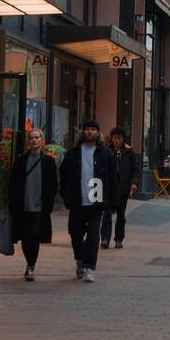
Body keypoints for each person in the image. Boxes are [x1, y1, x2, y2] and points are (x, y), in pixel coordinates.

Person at [58, 119, 117, 283]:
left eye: (93, 129)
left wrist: (112, 203)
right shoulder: (74, 153)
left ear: (98, 133)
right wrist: (66, 195)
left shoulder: (105, 153)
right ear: (83, 132)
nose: (90, 132)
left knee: (93, 235)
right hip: (77, 199)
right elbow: (63, 175)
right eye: (87, 129)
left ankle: (90, 267)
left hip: (96, 199)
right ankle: (80, 259)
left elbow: (112, 178)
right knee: (75, 234)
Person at [9, 129, 57, 281]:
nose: (34, 140)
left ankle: (31, 266)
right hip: (22, 206)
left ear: (42, 140)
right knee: (24, 237)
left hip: (39, 207)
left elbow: (53, 185)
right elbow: (13, 183)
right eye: (31, 138)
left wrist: (48, 204)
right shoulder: (21, 160)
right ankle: (29, 263)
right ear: (28, 141)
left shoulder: (48, 162)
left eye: (37, 137)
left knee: (34, 235)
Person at [100, 127, 139, 249]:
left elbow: (135, 170)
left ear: (123, 139)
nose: (116, 140)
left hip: (123, 187)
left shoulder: (129, 152)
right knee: (107, 213)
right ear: (111, 138)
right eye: (114, 138)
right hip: (109, 187)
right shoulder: (106, 150)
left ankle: (118, 239)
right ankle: (105, 238)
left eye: (119, 138)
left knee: (121, 214)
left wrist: (134, 183)